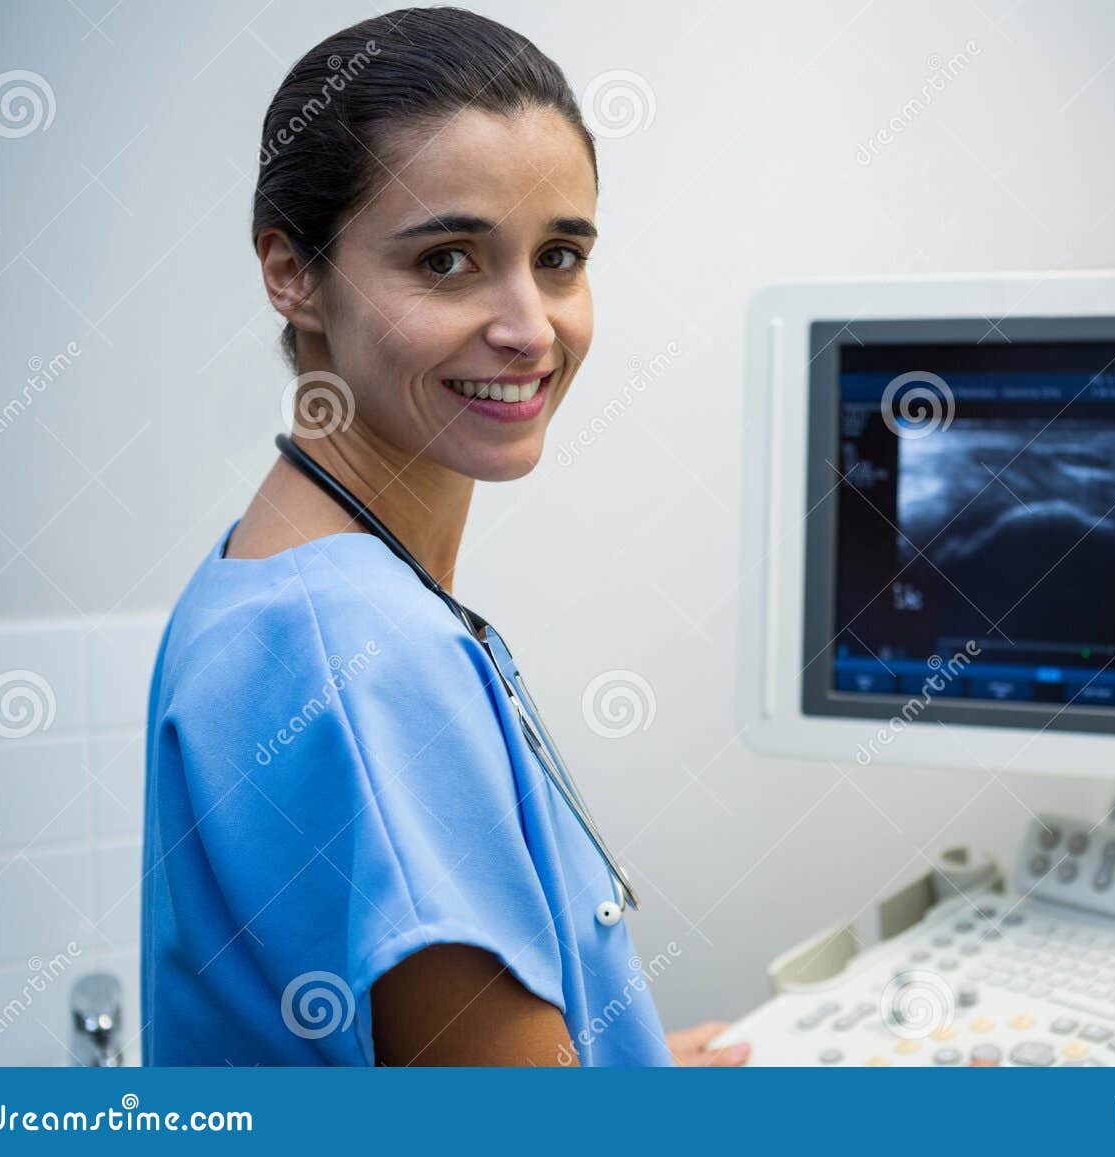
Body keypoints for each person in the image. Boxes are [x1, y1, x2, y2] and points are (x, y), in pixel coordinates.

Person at [141, 6, 747, 1067]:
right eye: (448, 262)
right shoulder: (368, 656)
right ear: (292, 273)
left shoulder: (271, 573)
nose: (529, 326)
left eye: (558, 256)